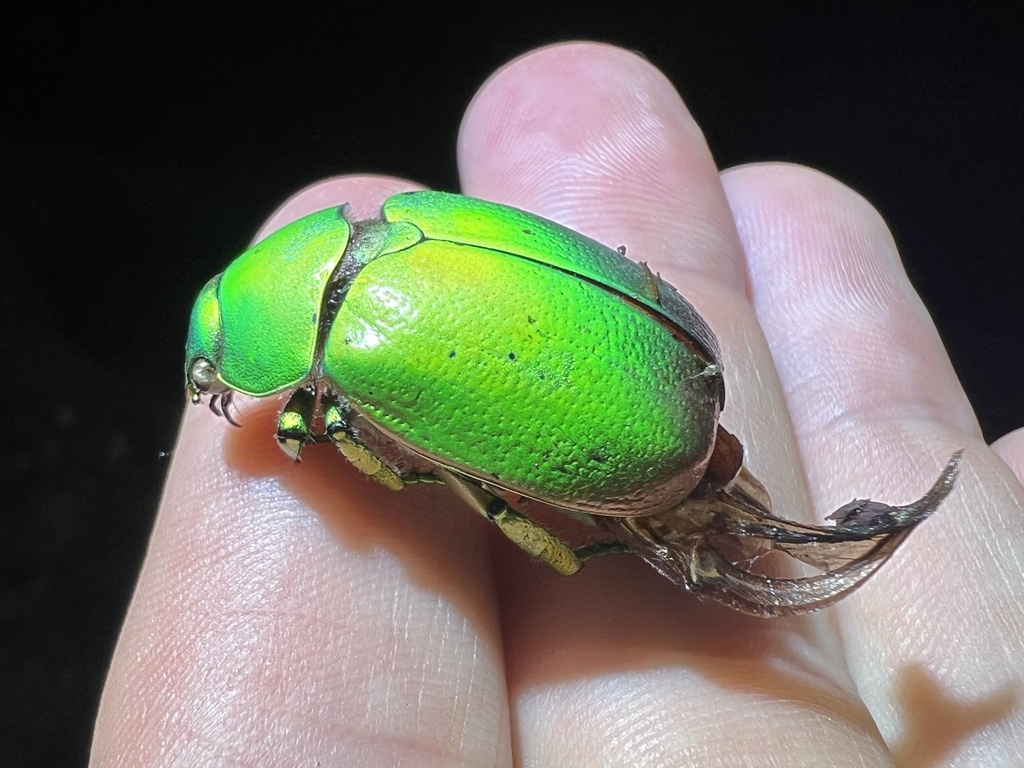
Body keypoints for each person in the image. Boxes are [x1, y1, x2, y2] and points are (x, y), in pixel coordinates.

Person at [90, 42, 1024, 766]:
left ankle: (618, 536)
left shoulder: (355, 350)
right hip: (659, 338)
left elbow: (390, 462)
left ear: (261, 336)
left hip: (629, 424)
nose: (223, 394)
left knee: (440, 472)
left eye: (220, 372)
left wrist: (346, 438)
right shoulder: (413, 218)